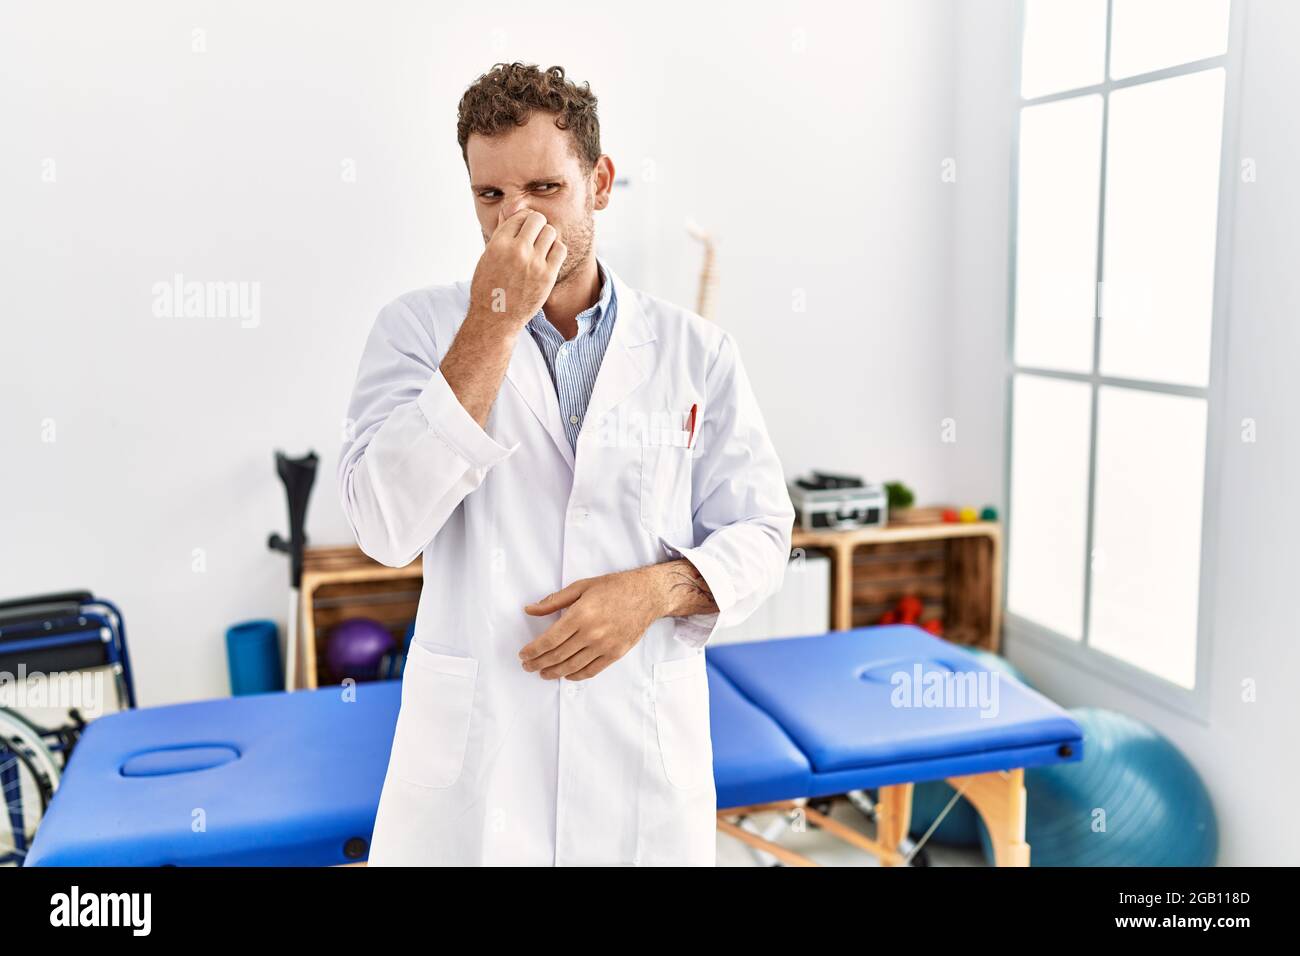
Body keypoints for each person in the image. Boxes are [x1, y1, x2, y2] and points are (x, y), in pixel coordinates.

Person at [338, 62, 793, 865]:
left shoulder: (697, 353)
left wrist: (656, 591)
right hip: (478, 770)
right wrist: (493, 320)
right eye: (491, 196)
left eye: (544, 188)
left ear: (601, 182)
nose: (517, 218)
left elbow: (762, 529)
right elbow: (383, 527)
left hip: (637, 761)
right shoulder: (416, 331)